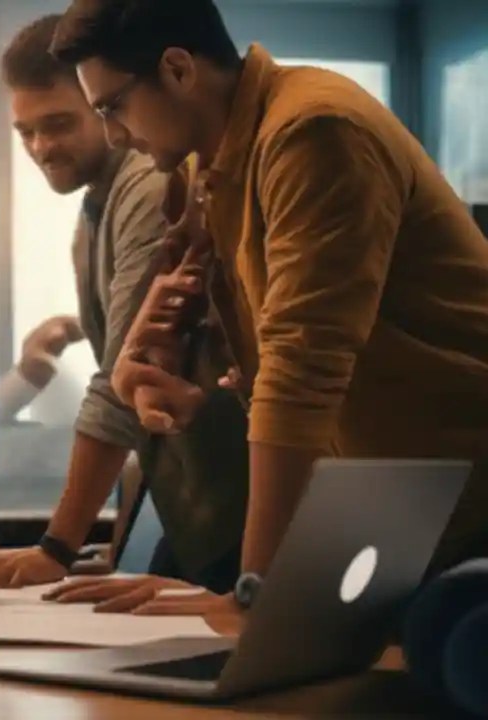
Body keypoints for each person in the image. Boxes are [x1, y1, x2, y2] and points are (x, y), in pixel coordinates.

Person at [48, 0, 488, 615]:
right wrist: (140, 367)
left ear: (177, 69)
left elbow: (299, 375)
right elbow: (242, 355)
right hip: (397, 512)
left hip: (462, 510)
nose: (114, 134)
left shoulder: (314, 131)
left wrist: (251, 597)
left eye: (111, 107)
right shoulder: (214, 160)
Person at [0, 15, 250, 600]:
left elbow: (117, 384)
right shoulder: (92, 215)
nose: (40, 148)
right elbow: (137, 395)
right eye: (25, 132)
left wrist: (57, 547)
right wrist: (108, 550)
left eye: (58, 124)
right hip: (197, 511)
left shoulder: (149, 187)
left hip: (246, 512)